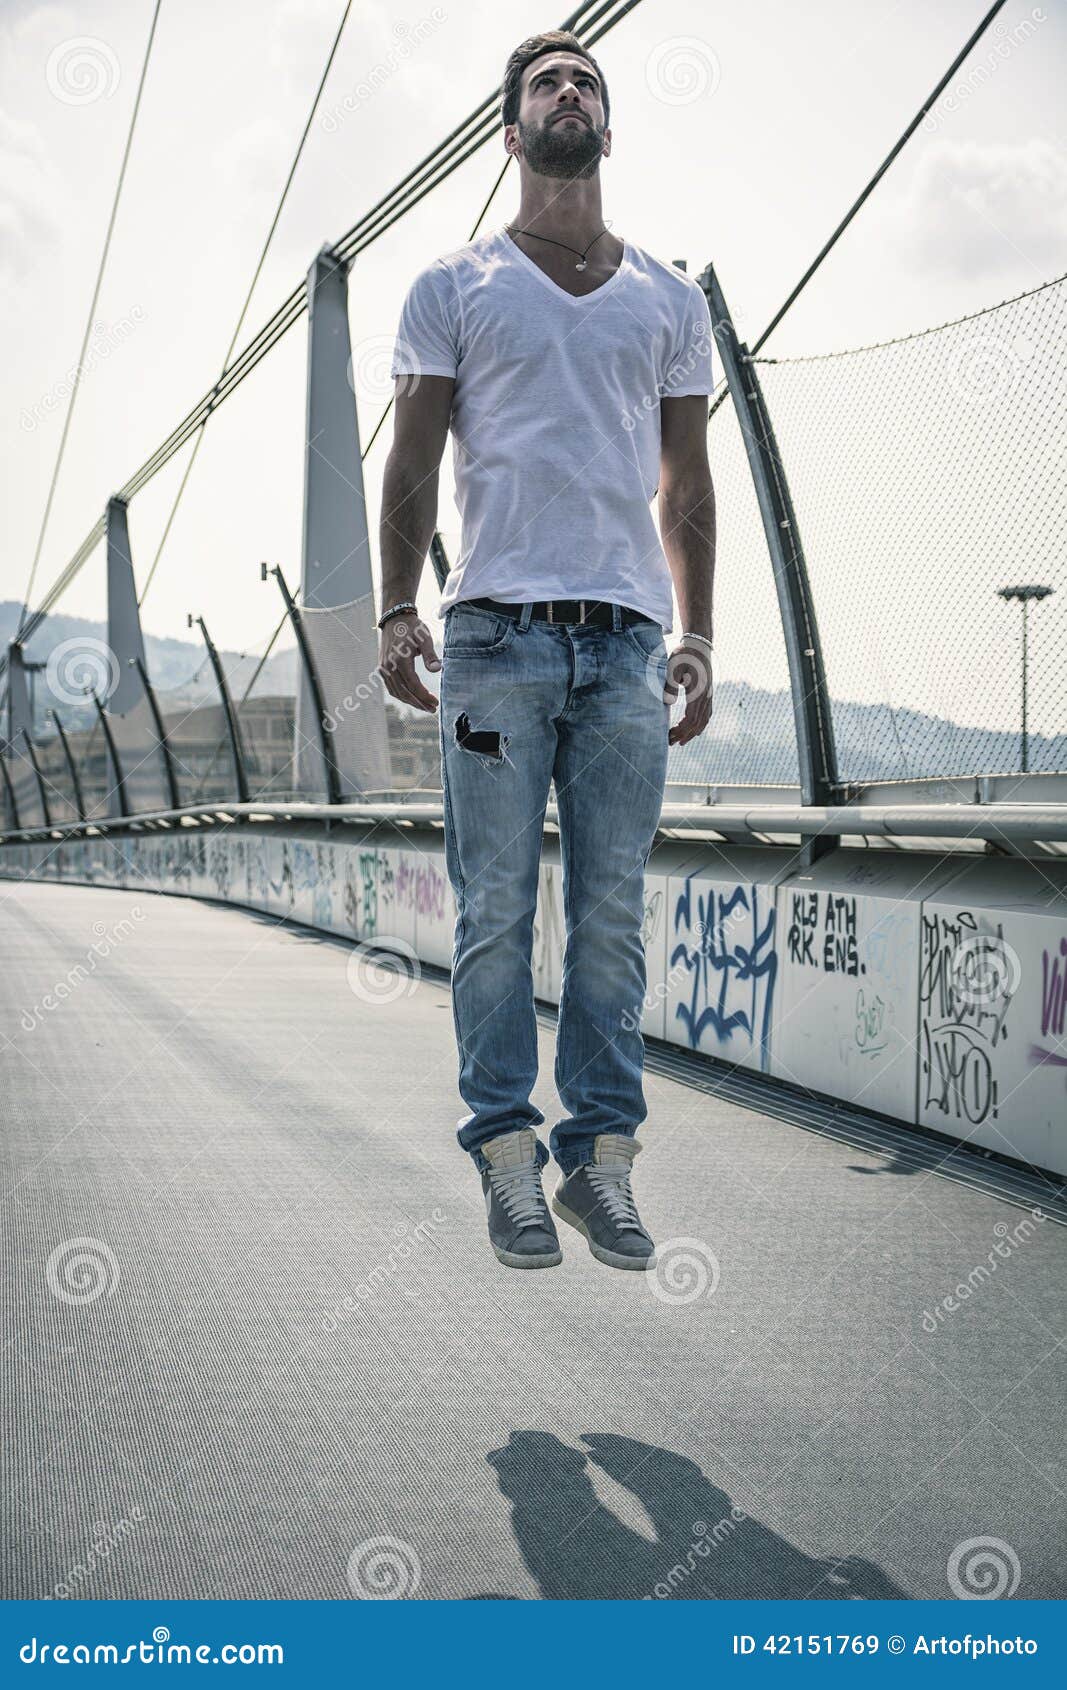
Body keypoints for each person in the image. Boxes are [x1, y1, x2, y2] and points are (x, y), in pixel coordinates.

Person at [379, 29, 716, 1271]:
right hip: (492, 639)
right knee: (495, 912)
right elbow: (411, 465)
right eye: (544, 85)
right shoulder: (451, 286)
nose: (568, 93)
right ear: (511, 134)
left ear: (606, 131)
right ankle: (507, 1159)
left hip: (627, 647)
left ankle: (602, 1165)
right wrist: (391, 611)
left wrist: (698, 633)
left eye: (587, 83)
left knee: (612, 916)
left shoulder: (667, 302)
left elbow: (686, 483)